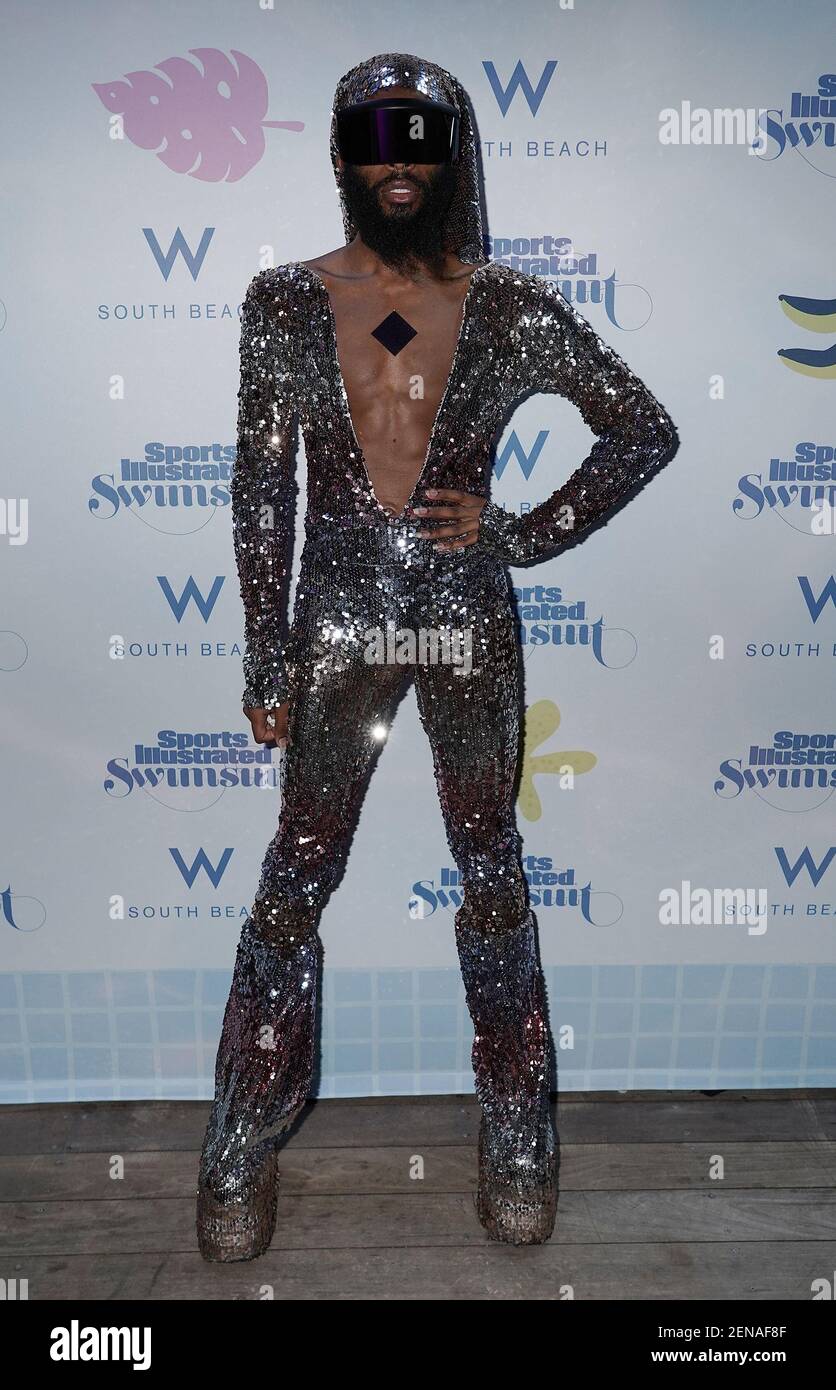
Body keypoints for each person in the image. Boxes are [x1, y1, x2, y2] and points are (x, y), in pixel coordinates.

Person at [196, 52, 679, 1261]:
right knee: (293, 875)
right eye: (375, 137)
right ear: (345, 154)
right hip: (335, 634)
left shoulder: (509, 306)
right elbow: (262, 488)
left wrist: (523, 532)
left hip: (466, 623)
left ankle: (518, 1138)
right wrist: (264, 659)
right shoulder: (282, 301)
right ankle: (239, 1142)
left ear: (451, 147)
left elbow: (641, 427)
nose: (397, 159)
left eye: (418, 135)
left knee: (491, 870)